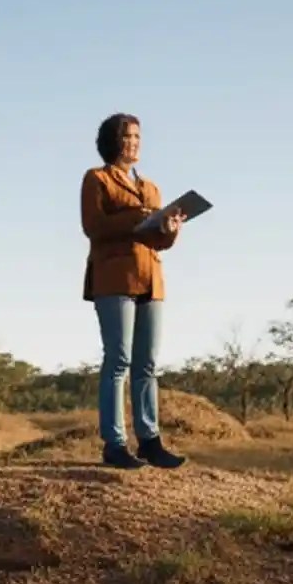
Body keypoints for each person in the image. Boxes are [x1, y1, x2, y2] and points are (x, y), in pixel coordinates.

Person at [80, 112, 187, 469]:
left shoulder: (151, 187)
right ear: (112, 140)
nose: (134, 142)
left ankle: (150, 441)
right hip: (114, 278)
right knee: (119, 360)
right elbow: (93, 226)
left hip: (150, 278)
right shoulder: (96, 179)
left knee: (148, 364)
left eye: (138, 136)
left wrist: (170, 228)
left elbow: (159, 242)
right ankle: (114, 443)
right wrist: (136, 217)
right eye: (127, 136)